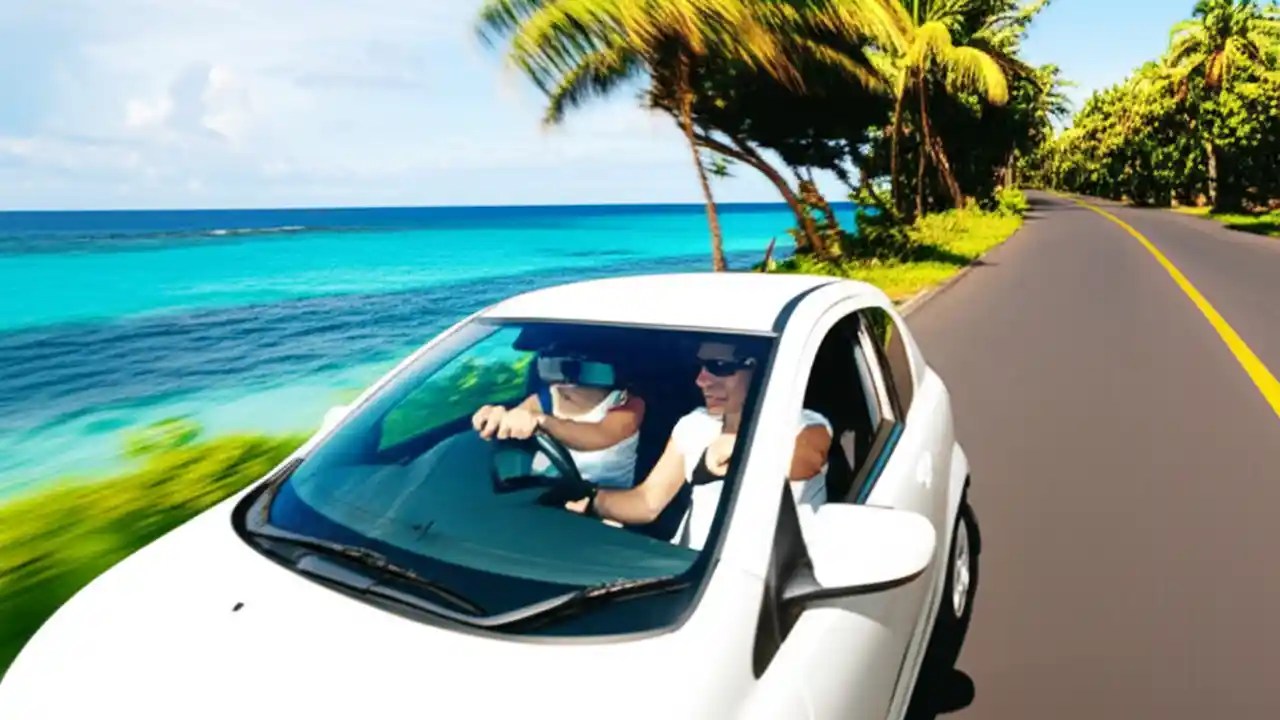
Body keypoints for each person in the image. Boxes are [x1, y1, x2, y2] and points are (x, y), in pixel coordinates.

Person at [564, 340, 831, 549]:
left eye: (719, 366)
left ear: (763, 370)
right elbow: (647, 502)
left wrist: (733, 451)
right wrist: (590, 500)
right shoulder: (695, 424)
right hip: (693, 572)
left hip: (768, 580)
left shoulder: (802, 424)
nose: (701, 380)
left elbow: (805, 461)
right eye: (701, 367)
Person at [472, 347, 645, 489]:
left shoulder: (627, 404)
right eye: (551, 363)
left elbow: (600, 436)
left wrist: (542, 421)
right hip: (547, 497)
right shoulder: (546, 399)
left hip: (607, 507)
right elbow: (516, 421)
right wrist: (494, 419)